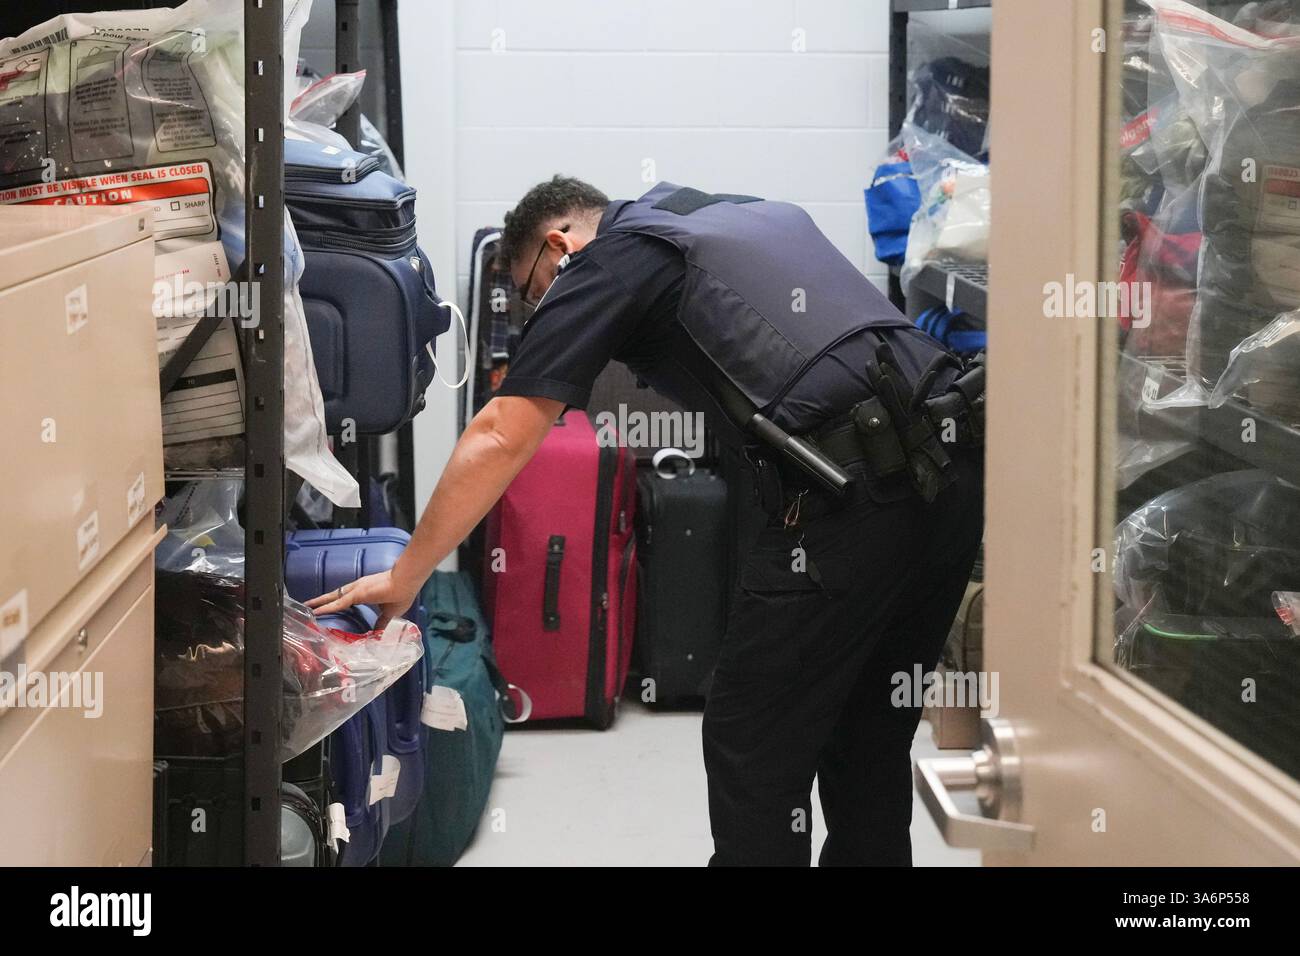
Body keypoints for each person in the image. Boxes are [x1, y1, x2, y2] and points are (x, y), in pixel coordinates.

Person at [308, 175, 985, 866]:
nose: (540, 308)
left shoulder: (611, 258)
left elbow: (499, 434)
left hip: (854, 497)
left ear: (558, 243)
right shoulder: (722, 210)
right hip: (953, 474)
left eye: (534, 290)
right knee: (867, 734)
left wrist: (407, 572)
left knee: (752, 742)